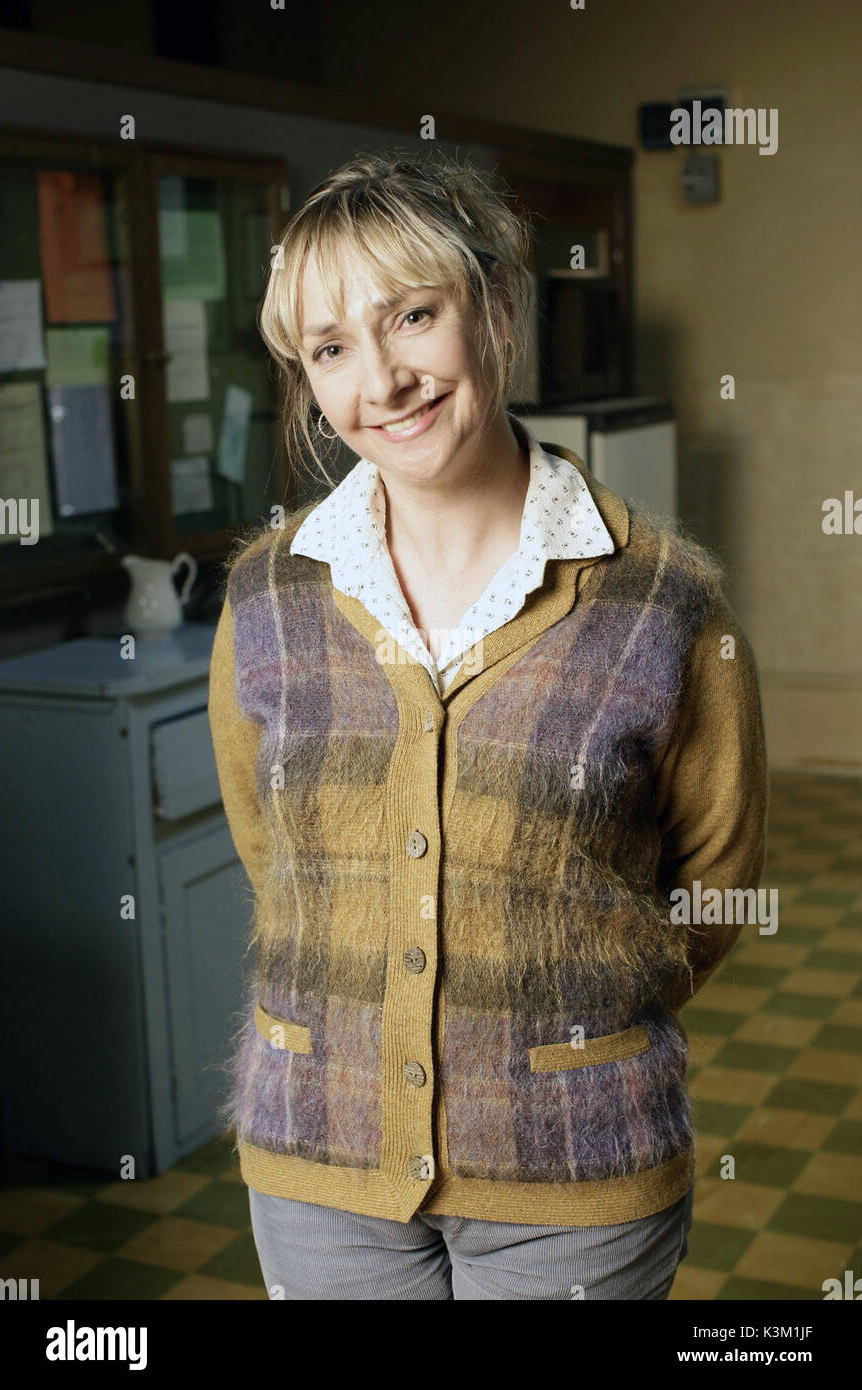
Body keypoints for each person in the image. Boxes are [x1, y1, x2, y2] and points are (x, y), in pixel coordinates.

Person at [207, 148, 768, 1300]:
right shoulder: (267, 594)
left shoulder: (661, 599)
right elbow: (277, 855)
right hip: (319, 1167)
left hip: (577, 1171)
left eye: (412, 316)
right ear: (306, 375)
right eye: (331, 348)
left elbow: (711, 882)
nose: (382, 378)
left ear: (495, 307)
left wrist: (572, 1018)